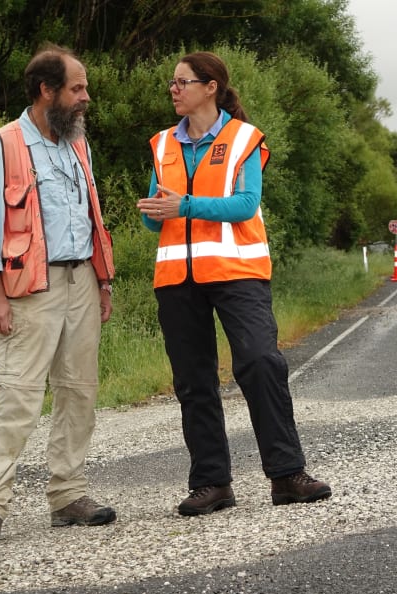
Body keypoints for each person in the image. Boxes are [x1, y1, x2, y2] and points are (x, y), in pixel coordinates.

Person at [136, 51, 331, 516]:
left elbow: (245, 205)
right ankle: (211, 484)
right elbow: (154, 219)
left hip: (238, 274)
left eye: (182, 82)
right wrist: (160, 212)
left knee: (261, 363)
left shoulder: (244, 139)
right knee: (194, 382)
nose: (173, 88)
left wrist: (183, 206)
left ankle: (287, 475)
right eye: (172, 82)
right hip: (176, 280)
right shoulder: (162, 144)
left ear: (210, 87)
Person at [0, 44, 117, 548]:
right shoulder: (3, 145)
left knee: (79, 391)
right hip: (30, 287)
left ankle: (68, 495)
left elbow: (89, 214)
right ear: (45, 91)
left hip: (81, 282)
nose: (85, 98)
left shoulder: (78, 143)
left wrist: (103, 279)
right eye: (77, 88)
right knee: (16, 393)